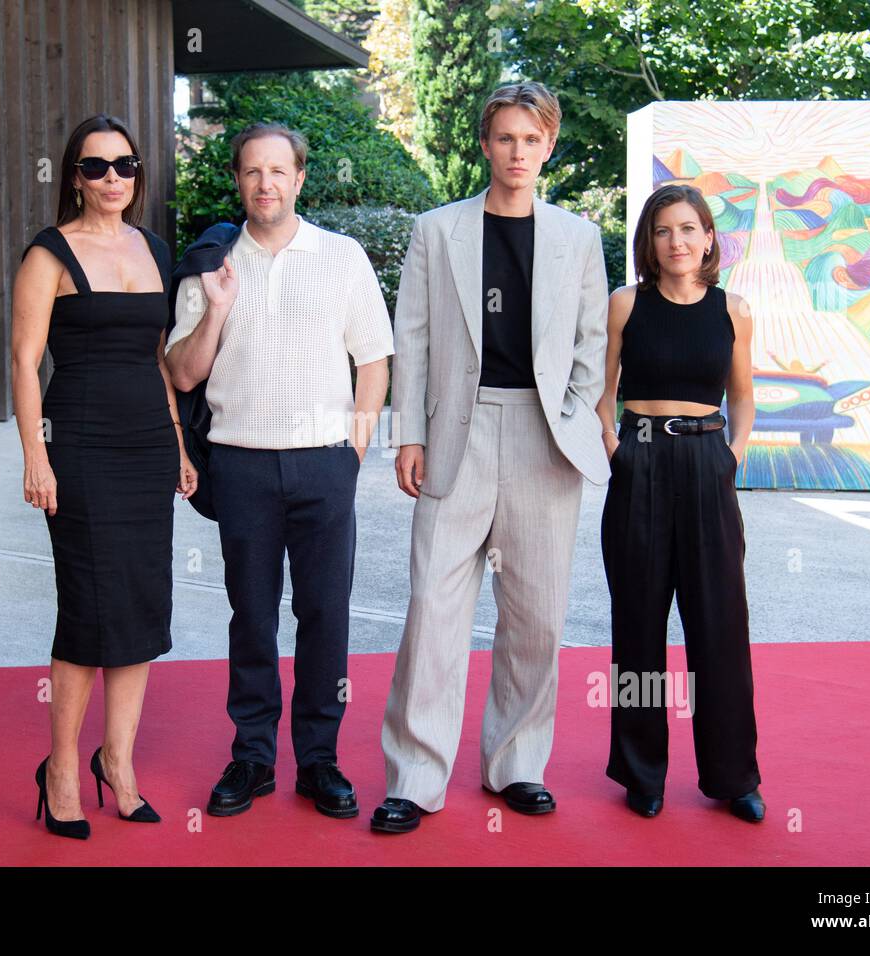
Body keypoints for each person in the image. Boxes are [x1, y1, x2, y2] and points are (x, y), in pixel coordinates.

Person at [372, 82, 610, 835]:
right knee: (434, 607)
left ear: (549, 145)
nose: (517, 152)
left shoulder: (577, 237)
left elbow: (591, 344)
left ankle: (517, 765)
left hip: (545, 438)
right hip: (457, 433)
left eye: (531, 139)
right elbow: (410, 338)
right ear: (485, 144)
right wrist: (407, 434)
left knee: (535, 615)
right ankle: (415, 775)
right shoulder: (437, 231)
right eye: (505, 138)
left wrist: (571, 422)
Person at [165, 123, 394, 819]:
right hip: (240, 465)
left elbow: (374, 361)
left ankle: (320, 761)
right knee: (252, 617)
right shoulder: (212, 263)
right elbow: (179, 370)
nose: (266, 183)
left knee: (325, 615)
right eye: (252, 172)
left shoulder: (342, 256)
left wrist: (353, 451)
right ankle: (253, 756)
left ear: (299, 178)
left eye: (279, 171)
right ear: (238, 181)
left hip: (326, 463)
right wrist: (218, 309)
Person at [11, 113, 197, 839]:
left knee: (143, 605)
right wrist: (36, 453)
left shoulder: (155, 248)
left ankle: (116, 761)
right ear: (74, 177)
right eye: (96, 167)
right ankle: (60, 768)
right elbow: (26, 361)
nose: (113, 178)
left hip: (148, 445)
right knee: (88, 607)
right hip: (81, 445)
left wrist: (178, 444)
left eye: (124, 166)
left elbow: (158, 360)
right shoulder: (48, 254)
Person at [598, 182, 765, 823]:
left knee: (720, 624)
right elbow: (600, 388)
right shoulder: (625, 304)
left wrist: (732, 453)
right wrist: (616, 447)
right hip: (637, 464)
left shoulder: (734, 310)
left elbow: (743, 394)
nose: (677, 242)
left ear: (709, 238)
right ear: (649, 240)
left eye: (689, 229)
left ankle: (732, 775)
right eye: (664, 230)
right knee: (637, 624)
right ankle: (642, 773)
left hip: (706, 463)